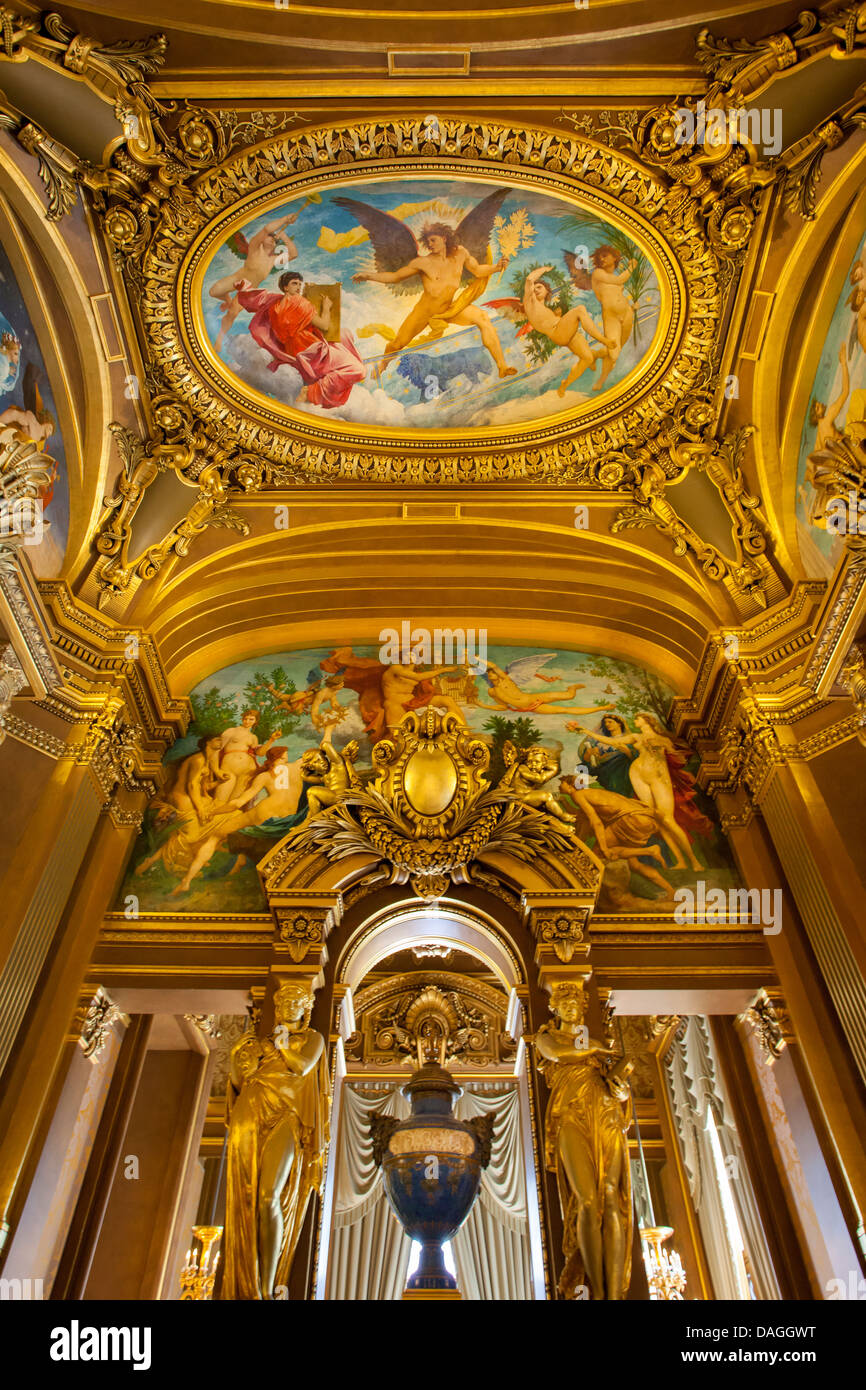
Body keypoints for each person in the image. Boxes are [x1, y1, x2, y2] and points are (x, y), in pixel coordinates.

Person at [220, 982, 329, 1301]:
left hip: (288, 1114)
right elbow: (243, 1080)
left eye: (294, 1005)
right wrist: (235, 1056)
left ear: (304, 1010)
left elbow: (303, 1067)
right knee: (246, 1193)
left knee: (268, 1195)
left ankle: (266, 1289)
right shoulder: (260, 1040)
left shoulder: (312, 1039)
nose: (285, 1010)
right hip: (251, 1107)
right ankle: (246, 1283)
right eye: (282, 1005)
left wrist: (283, 1046)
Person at [534, 983, 633, 1299]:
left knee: (611, 1199)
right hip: (570, 1117)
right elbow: (560, 1054)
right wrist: (597, 1049)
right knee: (588, 1201)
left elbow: (619, 1089)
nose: (574, 1009)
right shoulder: (547, 1037)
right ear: (556, 1008)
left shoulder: (596, 1044)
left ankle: (615, 1292)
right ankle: (597, 1290)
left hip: (605, 1114)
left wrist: (620, 1088)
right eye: (567, 1004)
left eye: (578, 1004)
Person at [353, 222, 516, 378]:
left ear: (444, 238)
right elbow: (395, 277)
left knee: (483, 318)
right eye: (427, 241)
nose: (430, 244)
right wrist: (368, 276)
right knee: (397, 344)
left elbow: (478, 270)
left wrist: (496, 267)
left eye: (433, 240)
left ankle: (502, 366)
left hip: (449, 309)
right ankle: (383, 364)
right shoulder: (423, 263)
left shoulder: (460, 253)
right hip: (424, 312)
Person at [568, 711, 706, 871]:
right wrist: (584, 731)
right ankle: (680, 862)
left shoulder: (664, 740)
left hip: (659, 777)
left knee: (668, 819)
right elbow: (608, 741)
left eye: (637, 718)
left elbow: (678, 757)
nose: (635, 721)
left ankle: (694, 861)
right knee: (654, 817)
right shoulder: (636, 737)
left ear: (646, 720)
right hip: (638, 773)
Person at [234, 270, 365, 409]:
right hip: (313, 351)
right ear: (285, 287)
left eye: (300, 284)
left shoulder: (274, 302)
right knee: (358, 369)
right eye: (294, 283)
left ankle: (328, 375)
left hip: (294, 351)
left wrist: (243, 288)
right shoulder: (300, 303)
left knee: (345, 335)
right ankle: (311, 392)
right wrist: (326, 307)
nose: (298, 287)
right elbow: (324, 325)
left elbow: (257, 299)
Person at [209, 213, 299, 351]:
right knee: (213, 291)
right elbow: (266, 229)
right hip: (236, 279)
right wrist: (285, 218)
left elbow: (293, 254)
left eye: (275, 240)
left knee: (232, 313)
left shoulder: (273, 260)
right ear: (262, 241)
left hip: (248, 289)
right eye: (270, 238)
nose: (272, 240)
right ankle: (227, 300)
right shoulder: (254, 248)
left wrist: (284, 237)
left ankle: (219, 340)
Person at [522, 265, 613, 395]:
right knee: (580, 309)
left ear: (547, 291)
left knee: (587, 358)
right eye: (534, 288)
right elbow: (529, 280)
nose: (536, 290)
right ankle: (603, 339)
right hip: (558, 334)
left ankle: (565, 384)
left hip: (565, 332)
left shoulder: (546, 309)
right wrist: (544, 270)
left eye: (539, 287)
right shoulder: (529, 303)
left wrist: (558, 317)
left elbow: (547, 321)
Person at [590, 245, 637, 390]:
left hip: (627, 313)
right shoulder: (598, 273)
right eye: (599, 257)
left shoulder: (614, 276)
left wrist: (632, 307)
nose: (601, 259)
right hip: (611, 317)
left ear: (614, 257)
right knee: (614, 354)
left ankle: (601, 380)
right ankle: (595, 354)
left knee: (616, 353)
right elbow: (619, 281)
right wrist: (632, 267)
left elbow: (618, 291)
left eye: (605, 255)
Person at [214, 709, 284, 804]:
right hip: (230, 767)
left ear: (255, 721)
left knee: (234, 802)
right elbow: (217, 748)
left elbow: (260, 753)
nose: (247, 721)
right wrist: (216, 770)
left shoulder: (253, 737)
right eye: (245, 719)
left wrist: (271, 739)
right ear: (242, 719)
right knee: (220, 800)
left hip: (246, 772)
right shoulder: (231, 731)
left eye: (251, 719)